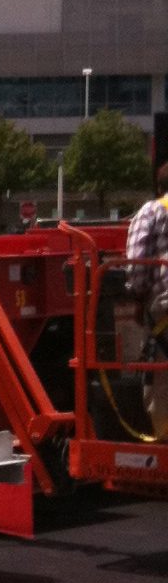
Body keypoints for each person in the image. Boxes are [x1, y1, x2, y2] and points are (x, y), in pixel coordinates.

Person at [123, 163, 168, 435]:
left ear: (159, 187)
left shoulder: (152, 211)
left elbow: (137, 264)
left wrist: (137, 299)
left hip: (164, 310)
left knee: (161, 386)